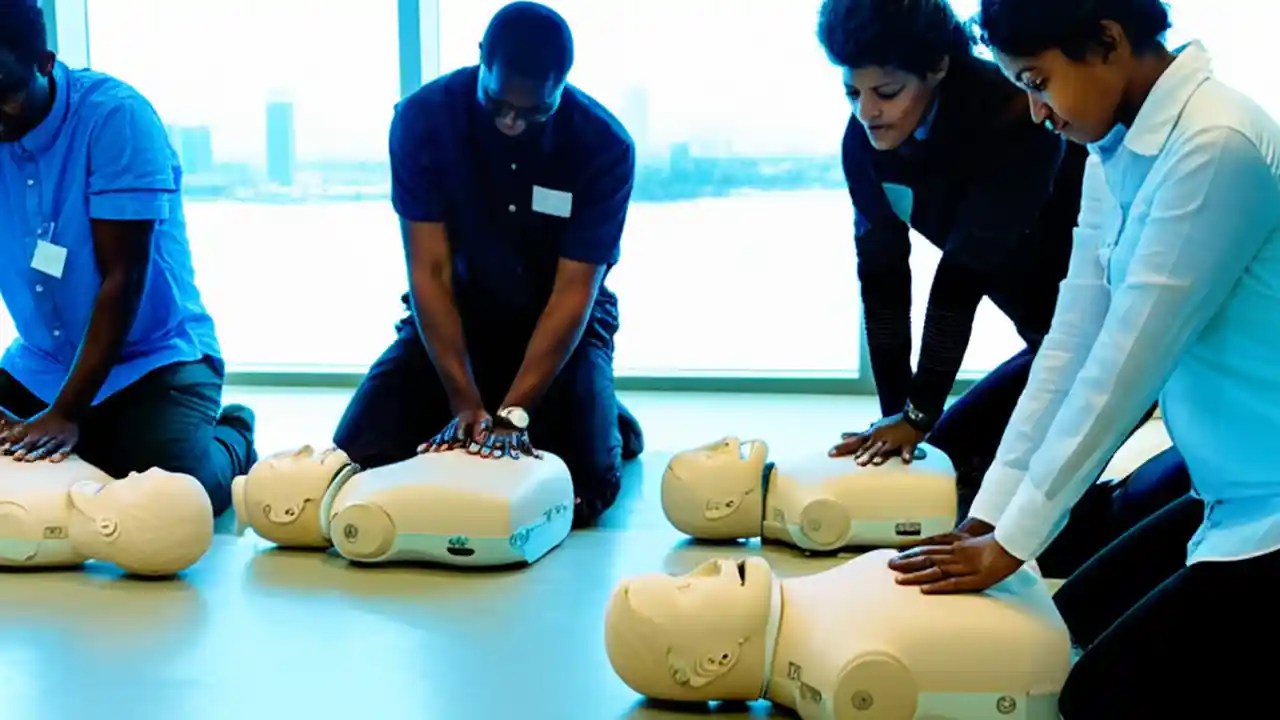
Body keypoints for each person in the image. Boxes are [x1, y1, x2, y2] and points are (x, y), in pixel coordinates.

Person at [889, 0, 1280, 716]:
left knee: (1101, 695)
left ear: (1108, 41)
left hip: (1271, 501)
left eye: (1038, 81)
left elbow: (1126, 365)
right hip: (1223, 484)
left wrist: (1013, 542)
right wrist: (990, 515)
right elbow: (1072, 342)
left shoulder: (1216, 145)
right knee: (1071, 623)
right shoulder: (1114, 150)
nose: (1037, 111)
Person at [333, 2, 642, 529]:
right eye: (498, 104)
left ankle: (589, 406)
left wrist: (514, 413)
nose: (512, 124)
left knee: (584, 487)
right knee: (357, 456)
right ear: (481, 61)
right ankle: (487, 402)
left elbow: (573, 294)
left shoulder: (604, 146)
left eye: (533, 113)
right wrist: (462, 401)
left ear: (562, 85)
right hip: (459, 316)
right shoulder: (422, 120)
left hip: (558, 326)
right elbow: (428, 273)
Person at [0, 0, 256, 517]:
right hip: (42, 363)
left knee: (172, 498)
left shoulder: (116, 117)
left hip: (152, 360)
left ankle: (235, 435)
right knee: (71, 458)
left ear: (44, 64)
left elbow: (125, 275)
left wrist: (66, 413)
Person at [816, 0, 1087, 487]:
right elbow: (882, 281)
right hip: (1048, 339)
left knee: (999, 491)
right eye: (851, 93)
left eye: (887, 91)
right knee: (944, 471)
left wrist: (919, 415)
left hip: (1107, 342)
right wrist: (897, 420)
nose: (867, 111)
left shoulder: (1014, 113)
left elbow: (961, 278)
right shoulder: (863, 142)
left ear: (938, 66)